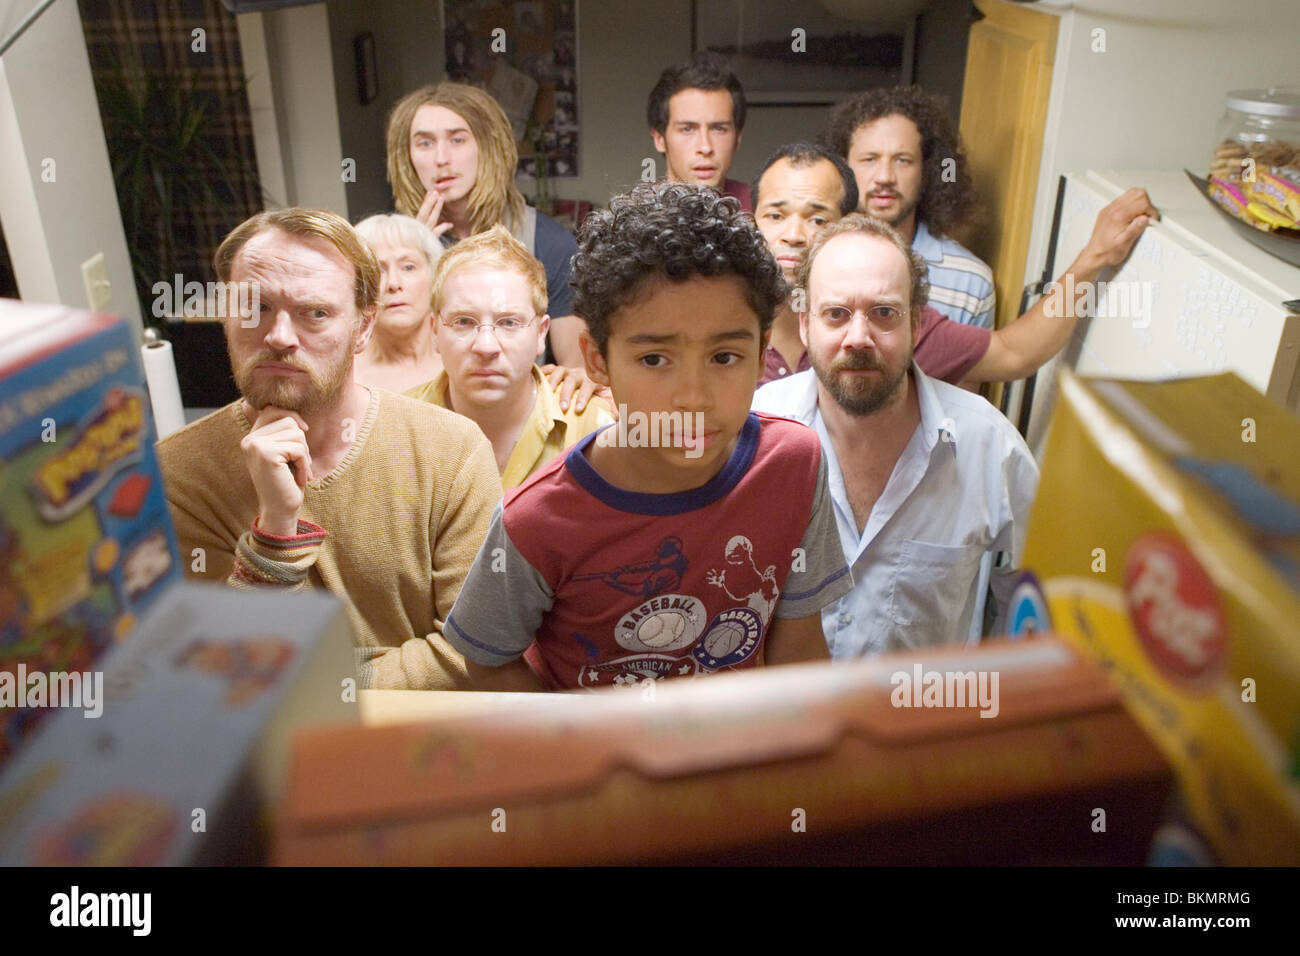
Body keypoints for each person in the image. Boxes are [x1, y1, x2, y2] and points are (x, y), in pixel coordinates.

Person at [443, 183, 852, 691]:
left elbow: (800, 645)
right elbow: (486, 660)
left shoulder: (793, 465)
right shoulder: (536, 520)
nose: (694, 398)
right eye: (654, 359)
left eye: (724, 357)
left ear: (762, 350)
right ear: (598, 361)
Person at [156, 208, 503, 690]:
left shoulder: (452, 451)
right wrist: (275, 531)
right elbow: (218, 679)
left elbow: (476, 654)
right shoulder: (177, 473)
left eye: (315, 313)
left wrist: (324, 687)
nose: (279, 336)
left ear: (364, 328)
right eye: (254, 308)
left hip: (426, 747)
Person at [752, 215, 1038, 656]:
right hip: (786, 723)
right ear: (805, 324)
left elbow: (1037, 600)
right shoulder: (756, 430)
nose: (858, 337)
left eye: (884, 313)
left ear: (917, 324)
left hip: (920, 720)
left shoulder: (988, 446)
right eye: (836, 314)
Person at [750, 141, 1161, 387]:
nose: (794, 234)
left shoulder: (887, 326)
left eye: (818, 218)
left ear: (848, 227)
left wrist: (1094, 258)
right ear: (754, 221)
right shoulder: (724, 316)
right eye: (775, 215)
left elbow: (1016, 353)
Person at [385, 82, 585, 365]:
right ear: (407, 158)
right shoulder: (390, 252)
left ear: (488, 147)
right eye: (425, 143)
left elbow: (577, 376)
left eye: (457, 140)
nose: (441, 159)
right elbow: (388, 368)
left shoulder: (550, 243)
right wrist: (412, 260)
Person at [407, 226, 614, 489]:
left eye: (508, 323)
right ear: (435, 332)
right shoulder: (394, 429)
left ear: (541, 333)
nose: (485, 346)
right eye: (463, 322)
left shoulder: (597, 426)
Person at [822, 86, 995, 329]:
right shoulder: (813, 257)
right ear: (842, 167)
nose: (884, 177)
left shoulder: (969, 282)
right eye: (869, 159)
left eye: (902, 160)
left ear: (927, 170)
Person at [351, 213, 444, 393]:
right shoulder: (344, 377)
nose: (394, 283)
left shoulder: (460, 363)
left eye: (408, 267)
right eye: (378, 271)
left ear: (435, 275)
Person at [647, 52, 751, 210]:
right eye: (687, 129)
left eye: (719, 129)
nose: (705, 147)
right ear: (659, 139)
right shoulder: (635, 220)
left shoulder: (762, 209)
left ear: (738, 138)